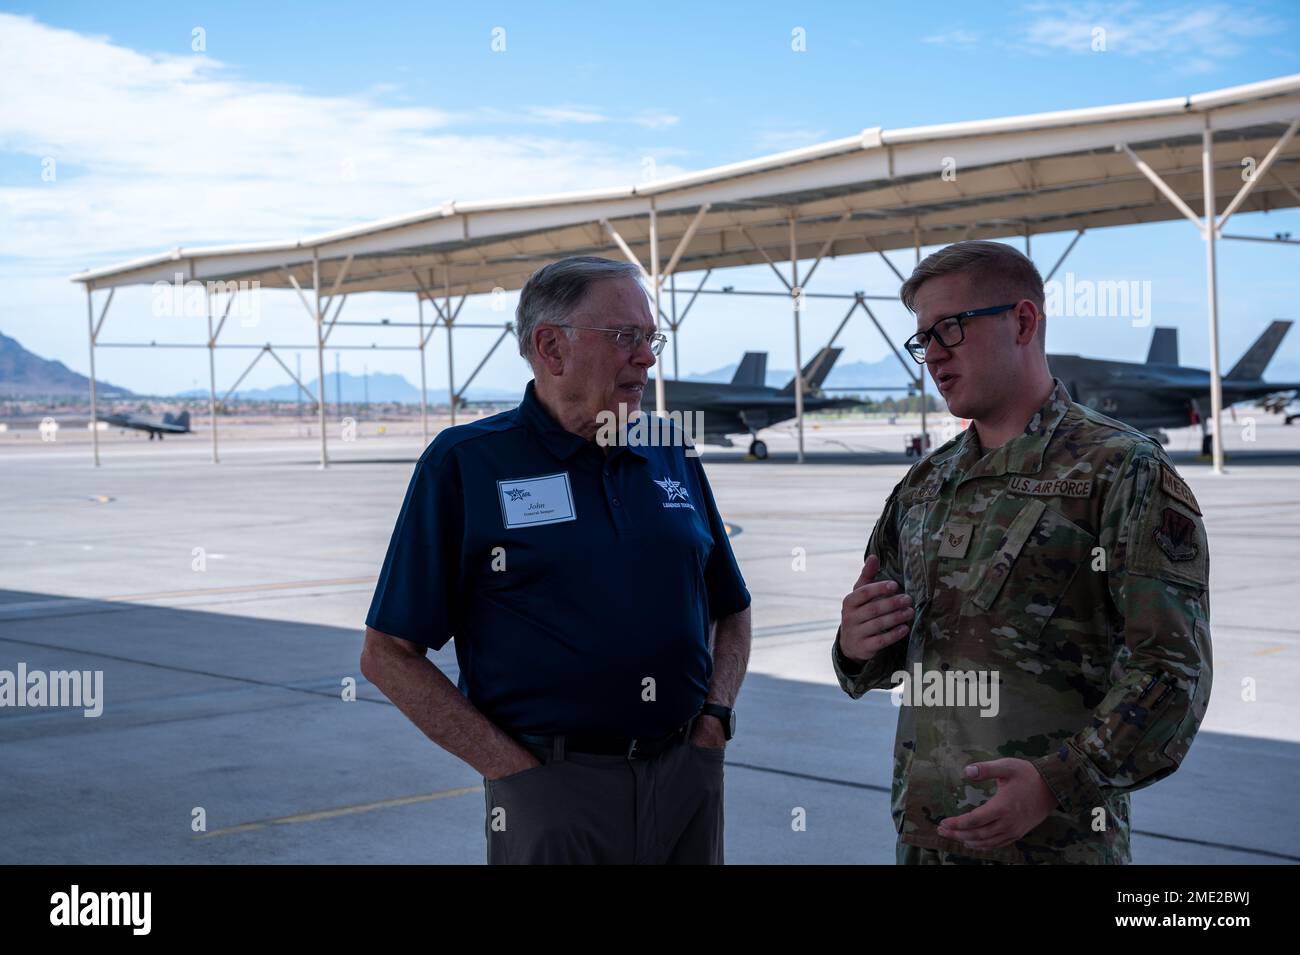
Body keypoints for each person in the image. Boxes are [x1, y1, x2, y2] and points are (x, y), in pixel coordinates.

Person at [361, 255, 751, 864]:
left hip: (687, 776)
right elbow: (387, 655)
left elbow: (733, 608)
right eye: (626, 337)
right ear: (551, 348)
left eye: (651, 338)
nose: (646, 357)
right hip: (550, 787)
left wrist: (715, 721)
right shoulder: (467, 463)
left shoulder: (670, 449)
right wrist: (514, 772)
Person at [832, 240, 1212, 864]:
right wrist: (856, 644)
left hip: (1057, 847)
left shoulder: (1120, 472)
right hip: (929, 839)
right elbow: (879, 658)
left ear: (1024, 322)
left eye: (950, 328)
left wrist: (1055, 781)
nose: (931, 354)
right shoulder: (925, 486)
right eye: (922, 338)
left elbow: (1172, 674)